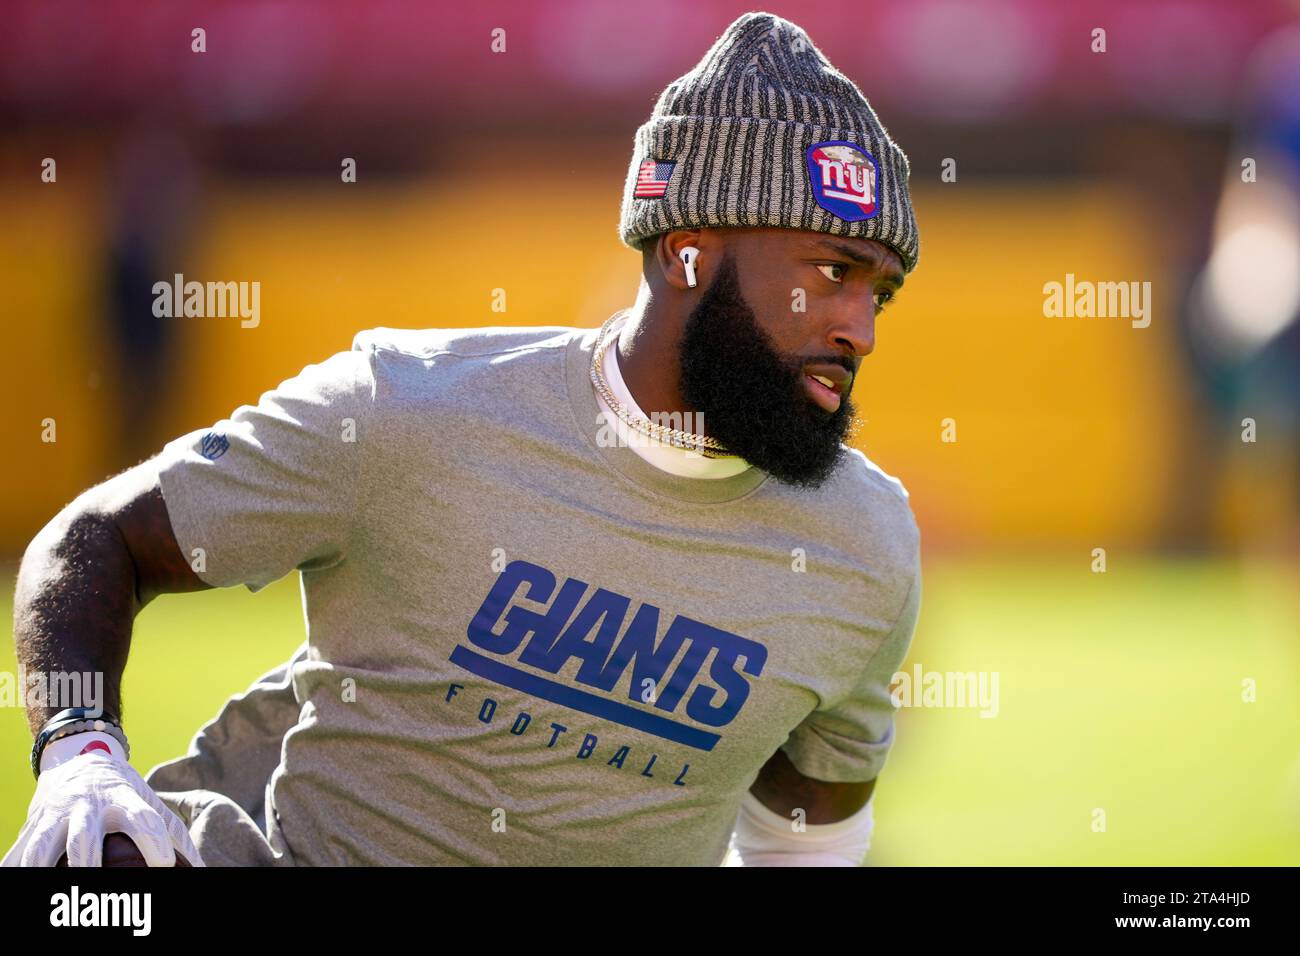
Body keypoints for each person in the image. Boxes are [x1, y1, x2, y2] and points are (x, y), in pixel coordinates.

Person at [4, 11, 922, 867]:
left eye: (877, 292)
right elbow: (97, 539)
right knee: (92, 873)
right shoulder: (409, 409)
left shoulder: (862, 545)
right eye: (832, 270)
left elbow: (804, 844)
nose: (861, 330)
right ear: (687, 252)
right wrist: (80, 755)